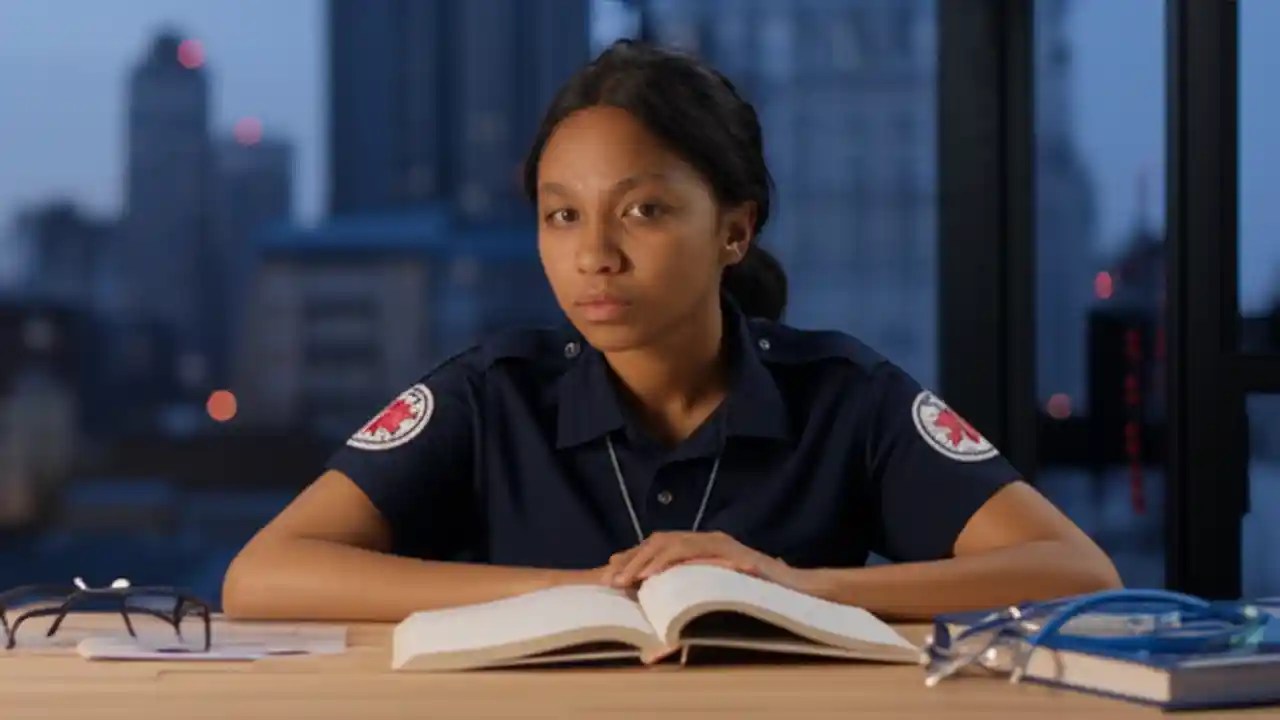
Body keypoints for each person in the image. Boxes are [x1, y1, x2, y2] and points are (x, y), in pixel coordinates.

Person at [221, 40, 1121, 623]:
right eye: (561, 216)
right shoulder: (494, 394)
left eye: (643, 210)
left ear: (736, 228)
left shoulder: (844, 394)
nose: (594, 256)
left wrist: (796, 588)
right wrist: (570, 593)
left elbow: (1078, 574)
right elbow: (262, 577)